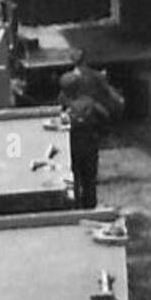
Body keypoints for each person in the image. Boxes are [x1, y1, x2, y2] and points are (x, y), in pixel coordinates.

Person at [58, 50, 124, 208]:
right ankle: (90, 206)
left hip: (71, 148)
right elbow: (105, 115)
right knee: (89, 180)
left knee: (73, 177)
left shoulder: (64, 104)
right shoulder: (91, 101)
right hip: (89, 146)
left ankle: (74, 206)